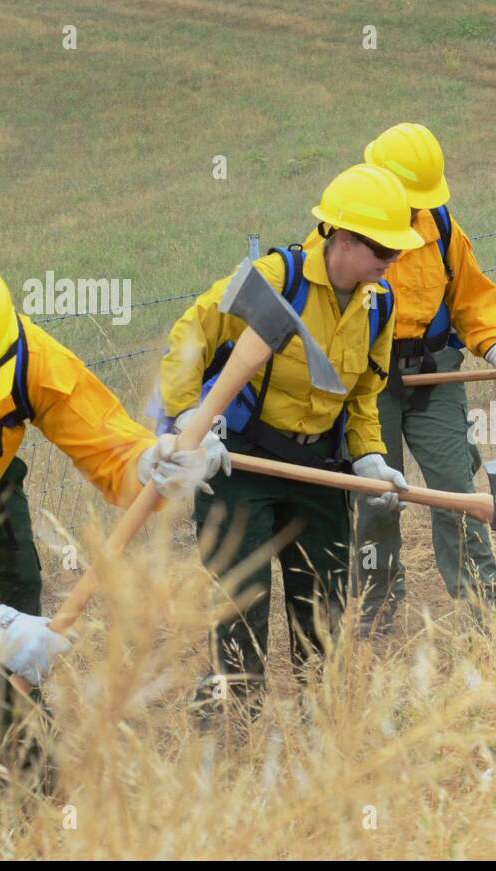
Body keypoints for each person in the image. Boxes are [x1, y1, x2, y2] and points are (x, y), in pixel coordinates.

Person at [0, 253, 221, 778]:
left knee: (12, 691)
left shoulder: (24, 352)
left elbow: (103, 436)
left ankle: (22, 820)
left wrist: (150, 465)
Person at [158, 164, 423, 717]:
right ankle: (235, 722)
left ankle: (322, 715)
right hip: (241, 464)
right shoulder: (277, 279)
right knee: (238, 601)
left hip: (319, 468)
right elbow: (190, 336)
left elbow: (364, 395)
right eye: (384, 251)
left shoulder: (379, 304)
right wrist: (190, 422)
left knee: (325, 605)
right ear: (344, 239)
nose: (392, 262)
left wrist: (370, 456)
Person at [342, 123, 496, 631]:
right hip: (366, 383)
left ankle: (485, 598)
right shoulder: (343, 230)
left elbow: (470, 298)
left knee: (453, 488)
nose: (413, 209)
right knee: (378, 498)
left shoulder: (441, 227)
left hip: (433, 375)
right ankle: (375, 602)